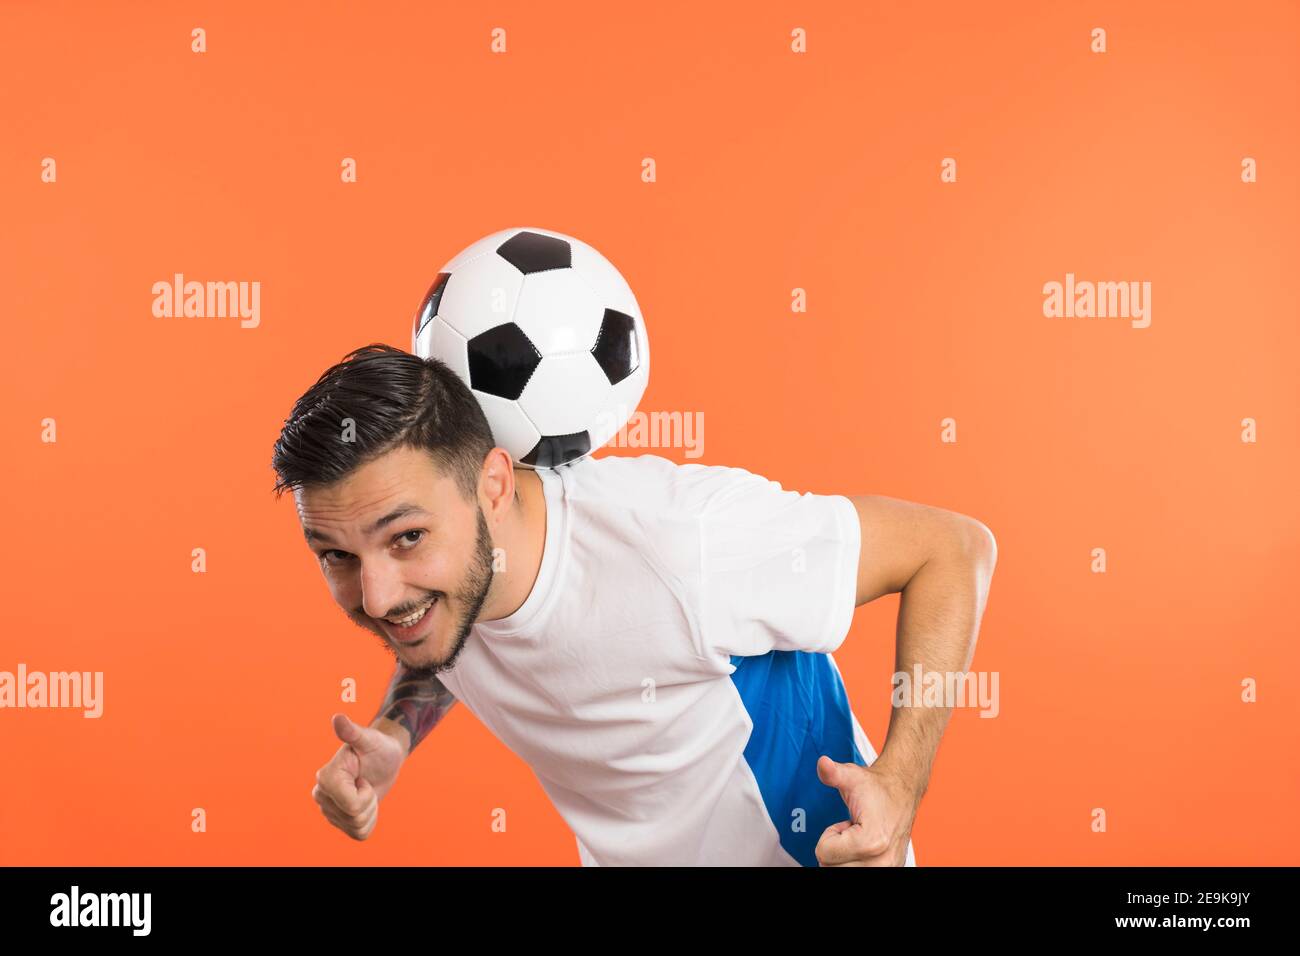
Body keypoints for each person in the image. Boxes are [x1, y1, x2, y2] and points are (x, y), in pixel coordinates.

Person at [273, 343, 997, 866]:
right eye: (335, 555)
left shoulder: (683, 544)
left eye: (404, 538)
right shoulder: (443, 582)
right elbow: (446, 636)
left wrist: (901, 785)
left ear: (493, 485)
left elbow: (953, 550)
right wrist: (396, 735)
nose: (375, 597)